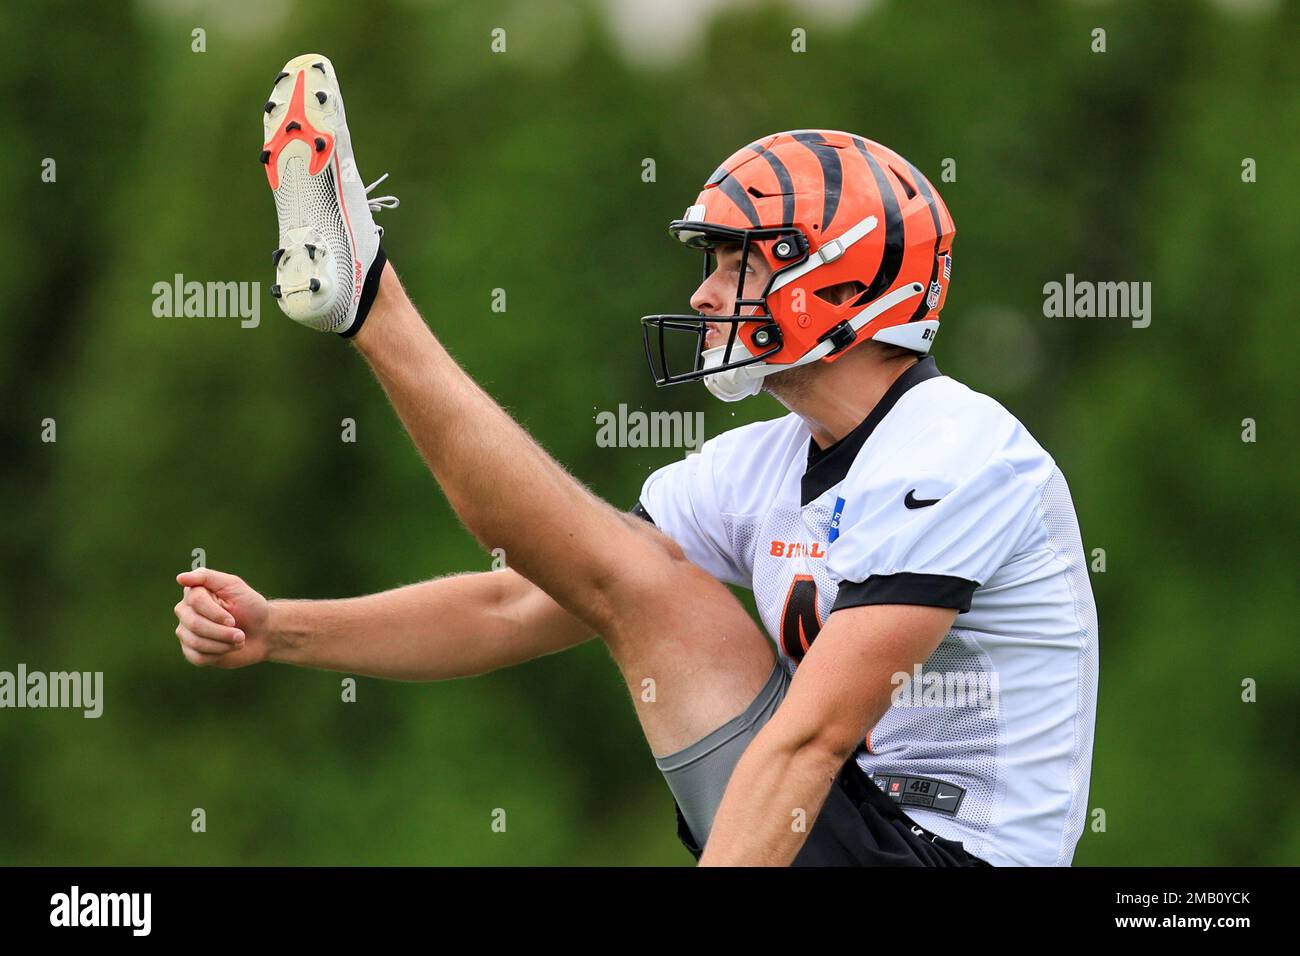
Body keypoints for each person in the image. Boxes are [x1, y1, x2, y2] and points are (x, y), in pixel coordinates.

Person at [174, 53, 1098, 866]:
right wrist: (280, 630)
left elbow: (808, 743)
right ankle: (372, 308)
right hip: (830, 826)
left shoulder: (958, 449)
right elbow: (517, 599)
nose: (702, 293)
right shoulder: (760, 465)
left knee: (648, 583)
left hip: (945, 856)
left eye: (736, 262)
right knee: (635, 575)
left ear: (841, 277)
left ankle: (375, 306)